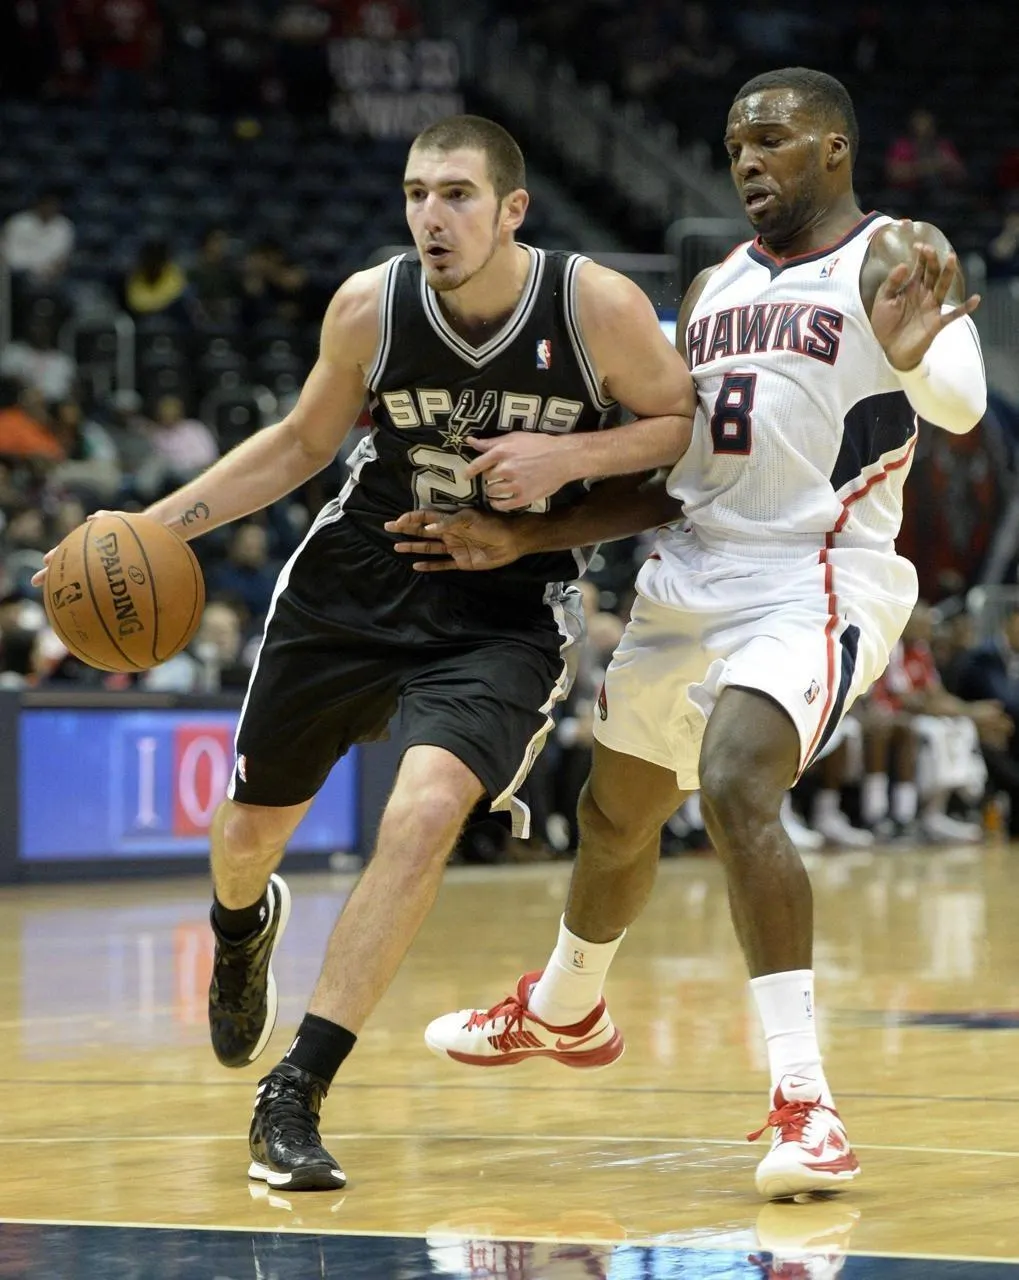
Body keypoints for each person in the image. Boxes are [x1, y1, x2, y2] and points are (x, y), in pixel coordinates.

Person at [36, 114, 695, 1189]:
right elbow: (301, 444)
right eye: (415, 194)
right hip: (352, 587)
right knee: (248, 838)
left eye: (456, 195)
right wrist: (149, 529)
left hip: (503, 605)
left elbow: (677, 427)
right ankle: (240, 923)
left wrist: (563, 456)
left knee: (424, 810)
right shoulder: (369, 304)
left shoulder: (592, 306)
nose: (431, 217)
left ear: (511, 209)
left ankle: (294, 1086)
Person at [415, 68, 988, 1200]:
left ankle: (805, 1102)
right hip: (694, 567)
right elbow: (678, 476)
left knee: (733, 781)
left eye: (769, 137)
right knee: (615, 811)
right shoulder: (718, 281)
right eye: (732, 140)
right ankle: (566, 1004)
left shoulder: (888, 248)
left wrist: (922, 353)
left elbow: (962, 404)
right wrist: (522, 537)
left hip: (816, 571)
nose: (744, 157)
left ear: (832, 146)